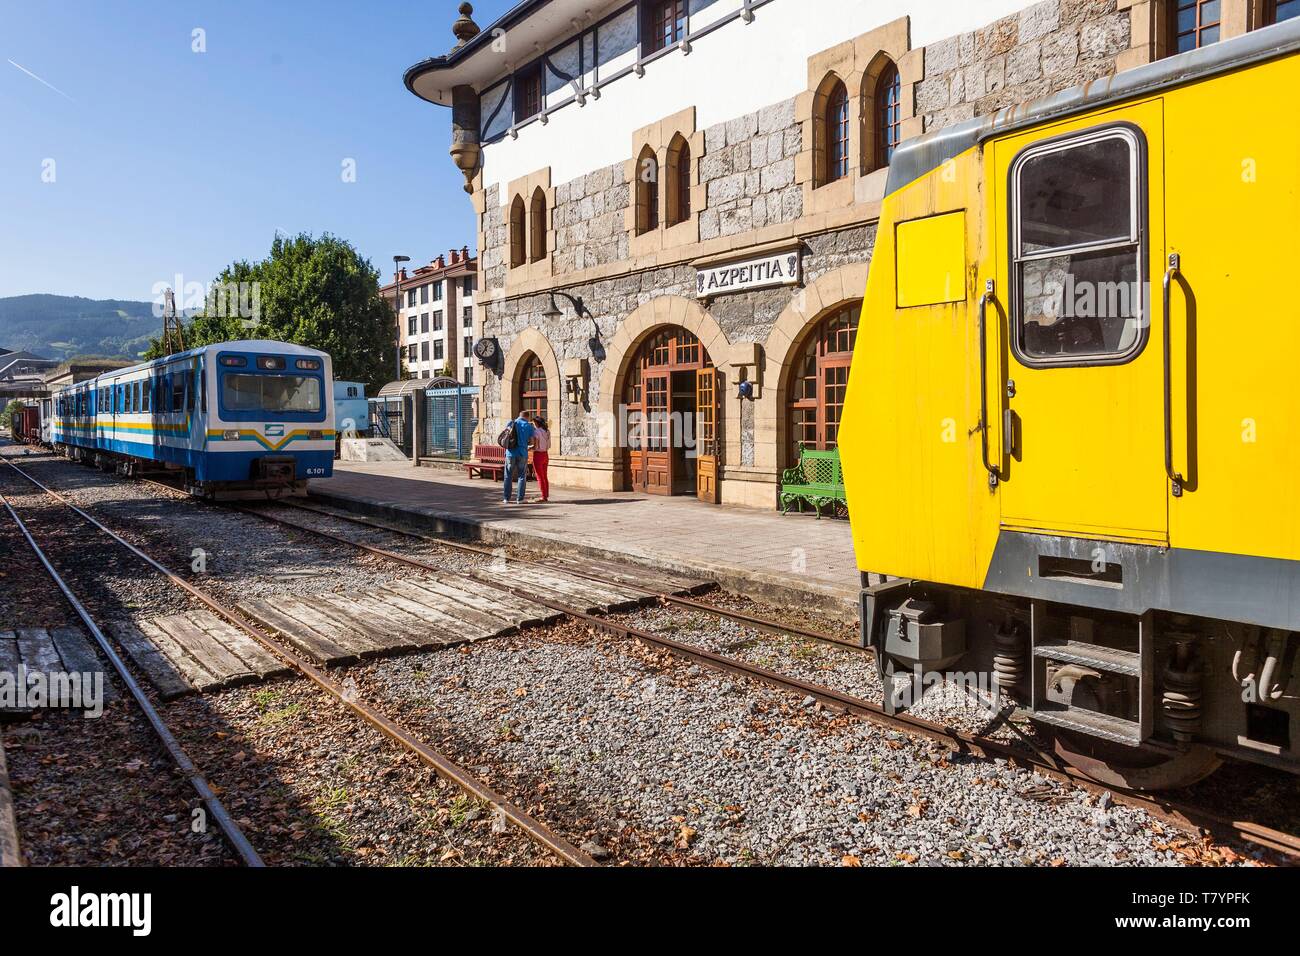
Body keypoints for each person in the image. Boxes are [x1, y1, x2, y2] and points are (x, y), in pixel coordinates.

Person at [502, 409, 535, 504]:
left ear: (519, 415)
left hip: (510, 453)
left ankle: (506, 498)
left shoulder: (511, 423)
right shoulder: (529, 426)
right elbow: (532, 442)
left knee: (508, 475)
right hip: (522, 453)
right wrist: (526, 445)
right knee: (521, 476)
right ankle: (520, 499)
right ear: (527, 417)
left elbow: (506, 436)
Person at [531, 416, 551, 502]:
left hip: (538, 455)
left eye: (534, 423)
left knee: (539, 477)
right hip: (545, 454)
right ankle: (546, 494)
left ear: (536, 423)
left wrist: (529, 447)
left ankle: (543, 496)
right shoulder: (547, 431)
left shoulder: (536, 432)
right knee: (544, 476)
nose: (534, 425)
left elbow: (535, 445)